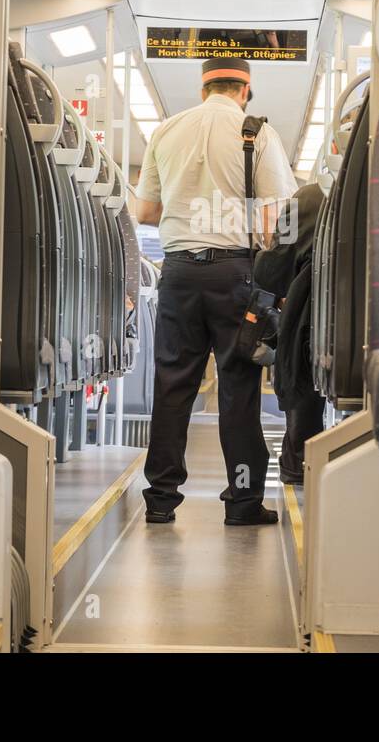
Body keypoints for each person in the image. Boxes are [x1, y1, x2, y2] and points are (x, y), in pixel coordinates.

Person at [133, 57, 297, 525]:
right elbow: (277, 221)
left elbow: (145, 212)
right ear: (246, 89)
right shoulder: (257, 133)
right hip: (236, 274)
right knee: (239, 388)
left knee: (172, 383)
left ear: (204, 88)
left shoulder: (166, 131)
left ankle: (161, 499)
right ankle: (243, 501)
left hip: (179, 272)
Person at [253, 182, 325, 484]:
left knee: (303, 391)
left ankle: (299, 464)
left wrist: (258, 254)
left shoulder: (310, 198)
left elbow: (272, 273)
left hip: (310, 324)